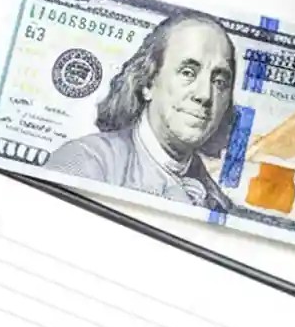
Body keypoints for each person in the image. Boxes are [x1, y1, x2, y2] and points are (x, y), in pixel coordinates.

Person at [44, 11, 237, 212]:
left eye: (219, 82)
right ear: (148, 82)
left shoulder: (219, 205)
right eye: (188, 73)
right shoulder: (85, 162)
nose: (205, 95)